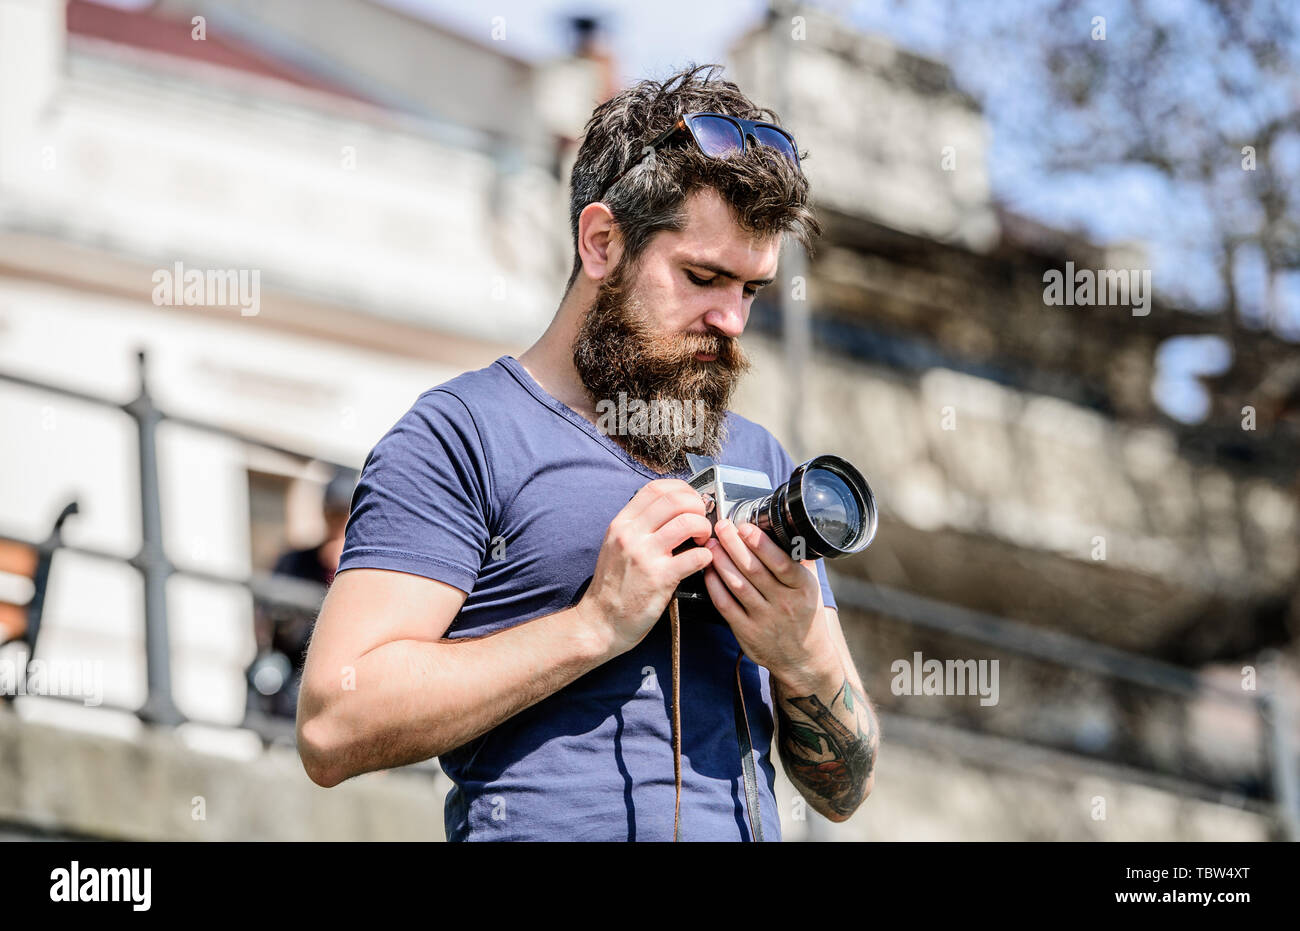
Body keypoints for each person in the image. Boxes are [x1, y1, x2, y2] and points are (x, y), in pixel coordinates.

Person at [297, 64, 879, 841]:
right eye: (703, 276)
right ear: (601, 241)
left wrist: (804, 657)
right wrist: (594, 624)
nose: (732, 318)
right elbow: (333, 722)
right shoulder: (463, 432)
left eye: (752, 290)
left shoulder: (762, 460)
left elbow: (847, 786)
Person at [248, 468, 355, 719]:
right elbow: (265, 614)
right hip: (293, 661)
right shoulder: (295, 560)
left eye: (343, 514)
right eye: (332, 513)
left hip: (340, 666)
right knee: (263, 679)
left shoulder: (361, 567)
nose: (337, 522)